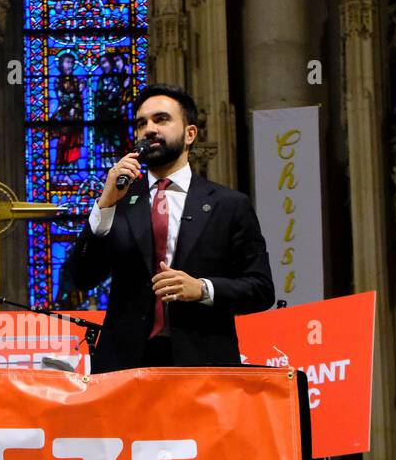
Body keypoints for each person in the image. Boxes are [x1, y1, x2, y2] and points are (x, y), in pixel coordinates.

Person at [65, 83, 275, 371]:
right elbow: (80, 277)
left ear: (190, 134)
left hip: (202, 365)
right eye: (141, 123)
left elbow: (261, 289)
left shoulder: (229, 205)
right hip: (125, 368)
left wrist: (202, 288)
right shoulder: (120, 201)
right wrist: (104, 205)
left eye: (161, 119)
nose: (149, 129)